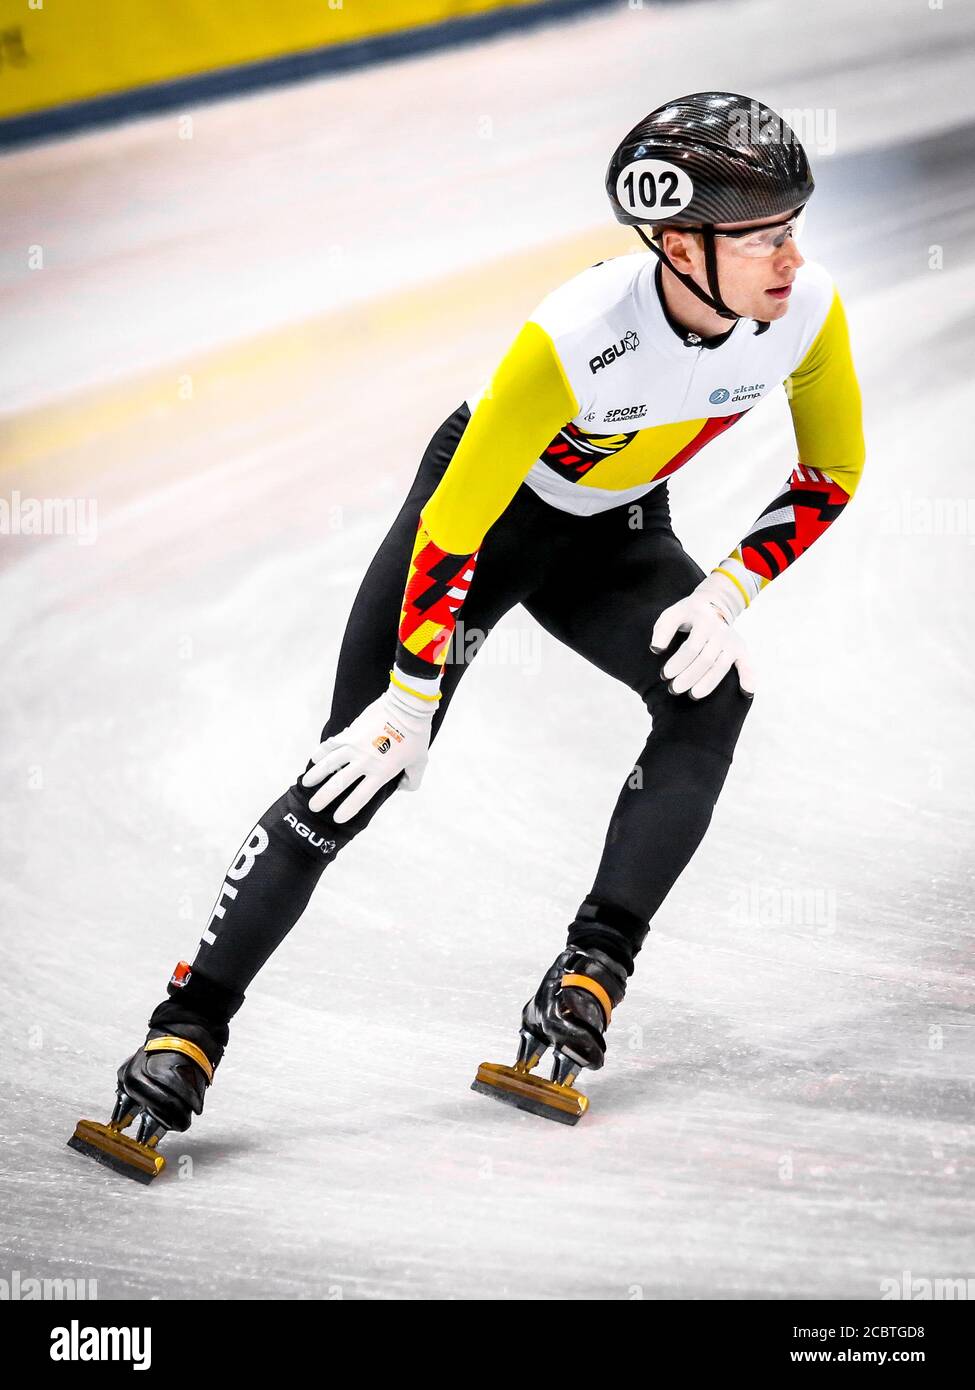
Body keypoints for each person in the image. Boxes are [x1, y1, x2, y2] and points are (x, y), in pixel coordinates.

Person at [69, 91, 865, 1175]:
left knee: (710, 696)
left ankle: (588, 973)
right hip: (483, 525)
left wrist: (730, 590)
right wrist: (408, 697)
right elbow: (454, 524)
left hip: (618, 529)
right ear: (680, 245)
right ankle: (185, 1030)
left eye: (791, 227)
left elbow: (832, 470)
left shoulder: (808, 311)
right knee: (354, 770)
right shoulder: (577, 336)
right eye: (763, 235)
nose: (790, 257)